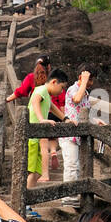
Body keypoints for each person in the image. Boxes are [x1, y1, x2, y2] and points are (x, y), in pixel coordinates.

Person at [28, 69, 69, 199]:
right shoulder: (41, 90)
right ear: (54, 82)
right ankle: (25, 201)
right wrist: (41, 119)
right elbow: (34, 100)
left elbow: (52, 107)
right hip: (32, 138)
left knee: (38, 172)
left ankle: (27, 200)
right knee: (32, 171)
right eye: (61, 88)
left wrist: (65, 119)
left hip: (37, 137)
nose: (61, 92)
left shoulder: (46, 94)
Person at [58, 70, 93, 214]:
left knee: (77, 166)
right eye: (91, 80)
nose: (92, 83)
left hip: (78, 136)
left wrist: (96, 122)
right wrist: (84, 81)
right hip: (69, 135)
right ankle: (68, 196)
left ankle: (73, 194)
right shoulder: (74, 89)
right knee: (71, 165)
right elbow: (76, 100)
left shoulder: (85, 93)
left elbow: (84, 114)